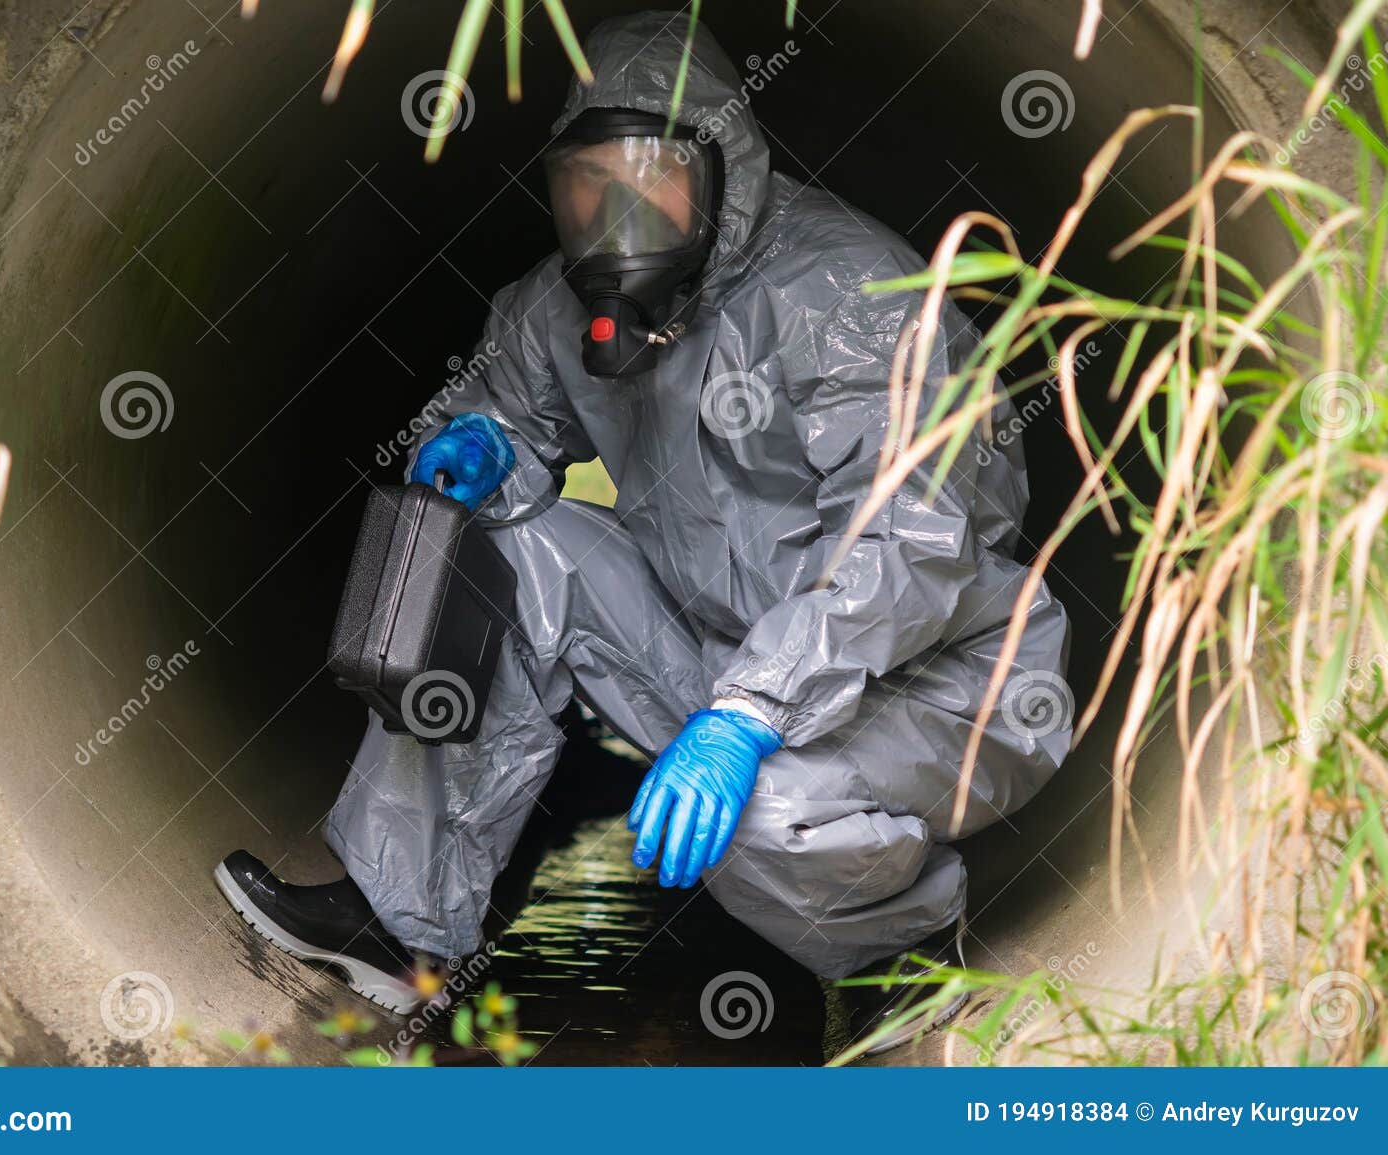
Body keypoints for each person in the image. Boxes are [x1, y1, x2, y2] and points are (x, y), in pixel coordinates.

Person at [215, 10, 1070, 1052]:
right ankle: (401, 924)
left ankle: (896, 964)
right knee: (497, 543)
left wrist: (746, 714)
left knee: (763, 817)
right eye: (586, 183)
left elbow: (915, 546)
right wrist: (474, 449)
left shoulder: (851, 295)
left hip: (937, 677)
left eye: (648, 174)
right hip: (726, 655)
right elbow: (497, 411)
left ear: (722, 170)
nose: (614, 209)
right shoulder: (558, 310)